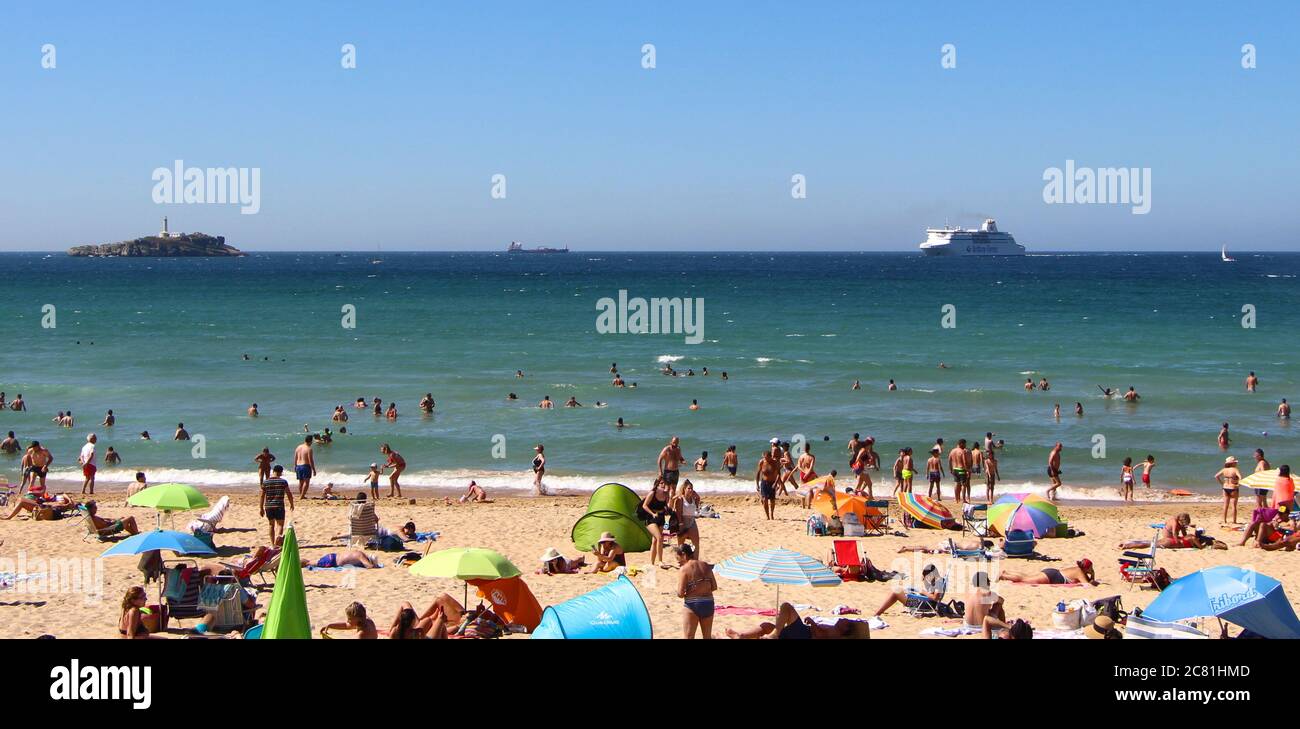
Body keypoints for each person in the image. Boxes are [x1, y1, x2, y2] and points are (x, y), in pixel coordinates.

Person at [726, 602, 866, 639]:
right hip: (802, 633)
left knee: (786, 607)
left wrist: (812, 623)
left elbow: (819, 636)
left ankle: (775, 635)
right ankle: (741, 636)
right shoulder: (835, 629)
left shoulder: (836, 634)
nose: (842, 619)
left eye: (845, 621)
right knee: (767, 625)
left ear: (845, 630)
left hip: (804, 635)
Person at [676, 544, 717, 639]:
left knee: (689, 636)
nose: (678, 562)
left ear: (684, 555)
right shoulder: (706, 566)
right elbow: (714, 587)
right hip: (708, 603)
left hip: (692, 605)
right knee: (707, 637)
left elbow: (680, 594)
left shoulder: (684, 569)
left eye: (678, 559)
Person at [874, 564, 945, 616]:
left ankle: (877, 613)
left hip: (923, 605)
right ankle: (881, 610)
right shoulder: (938, 579)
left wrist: (922, 591)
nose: (927, 578)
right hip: (923, 602)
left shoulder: (938, 582)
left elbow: (935, 598)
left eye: (927, 576)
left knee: (895, 592)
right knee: (898, 591)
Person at [637, 480, 671, 565]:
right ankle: (660, 561)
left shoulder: (666, 494)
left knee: (655, 540)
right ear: (657, 484)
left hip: (661, 517)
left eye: (664, 483)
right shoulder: (652, 493)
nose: (663, 485)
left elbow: (666, 505)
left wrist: (667, 509)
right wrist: (652, 513)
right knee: (660, 538)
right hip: (650, 518)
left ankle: (652, 562)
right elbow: (644, 505)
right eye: (661, 483)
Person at [260, 465, 293, 546]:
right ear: (281, 472)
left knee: (271, 525)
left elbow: (262, 495)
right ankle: (278, 543)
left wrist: (261, 508)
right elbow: (289, 493)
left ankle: (272, 544)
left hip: (268, 506)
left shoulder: (266, 482)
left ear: (273, 471)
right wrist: (292, 503)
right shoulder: (283, 482)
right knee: (280, 525)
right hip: (279, 506)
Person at [1000, 559, 1097, 586]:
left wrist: (1091, 575)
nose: (1092, 569)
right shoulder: (1080, 572)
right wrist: (1093, 575)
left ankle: (1007, 573)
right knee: (1025, 579)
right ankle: (1004, 576)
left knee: (1028, 576)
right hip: (1052, 577)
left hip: (1052, 573)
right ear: (1086, 568)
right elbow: (1087, 585)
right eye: (1091, 568)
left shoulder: (1077, 569)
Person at [671, 480, 702, 555]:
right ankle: (681, 561)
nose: (691, 490)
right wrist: (680, 523)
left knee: (696, 543)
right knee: (681, 545)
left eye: (692, 488)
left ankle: (695, 561)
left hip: (692, 521)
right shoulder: (680, 499)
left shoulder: (693, 499)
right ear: (684, 489)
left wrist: (694, 493)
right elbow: (678, 513)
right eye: (689, 488)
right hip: (683, 522)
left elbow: (698, 498)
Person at [756, 440, 782, 520]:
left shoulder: (774, 463)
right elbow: (758, 473)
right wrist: (757, 484)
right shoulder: (761, 462)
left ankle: (772, 514)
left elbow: (779, 474)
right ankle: (767, 516)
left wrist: (776, 483)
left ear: (770, 456)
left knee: (773, 500)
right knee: (765, 499)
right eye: (765, 457)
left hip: (772, 483)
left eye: (767, 458)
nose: (766, 459)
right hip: (764, 482)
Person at [1216, 456, 1242, 524]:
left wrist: (1222, 483)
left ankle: (1224, 520)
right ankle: (1234, 521)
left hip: (1225, 488)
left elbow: (1216, 476)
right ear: (1232, 463)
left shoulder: (1224, 469)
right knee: (1234, 506)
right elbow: (1240, 477)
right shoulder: (1235, 469)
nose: (1236, 464)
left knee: (1225, 505)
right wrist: (1238, 484)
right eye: (1235, 462)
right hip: (1233, 488)